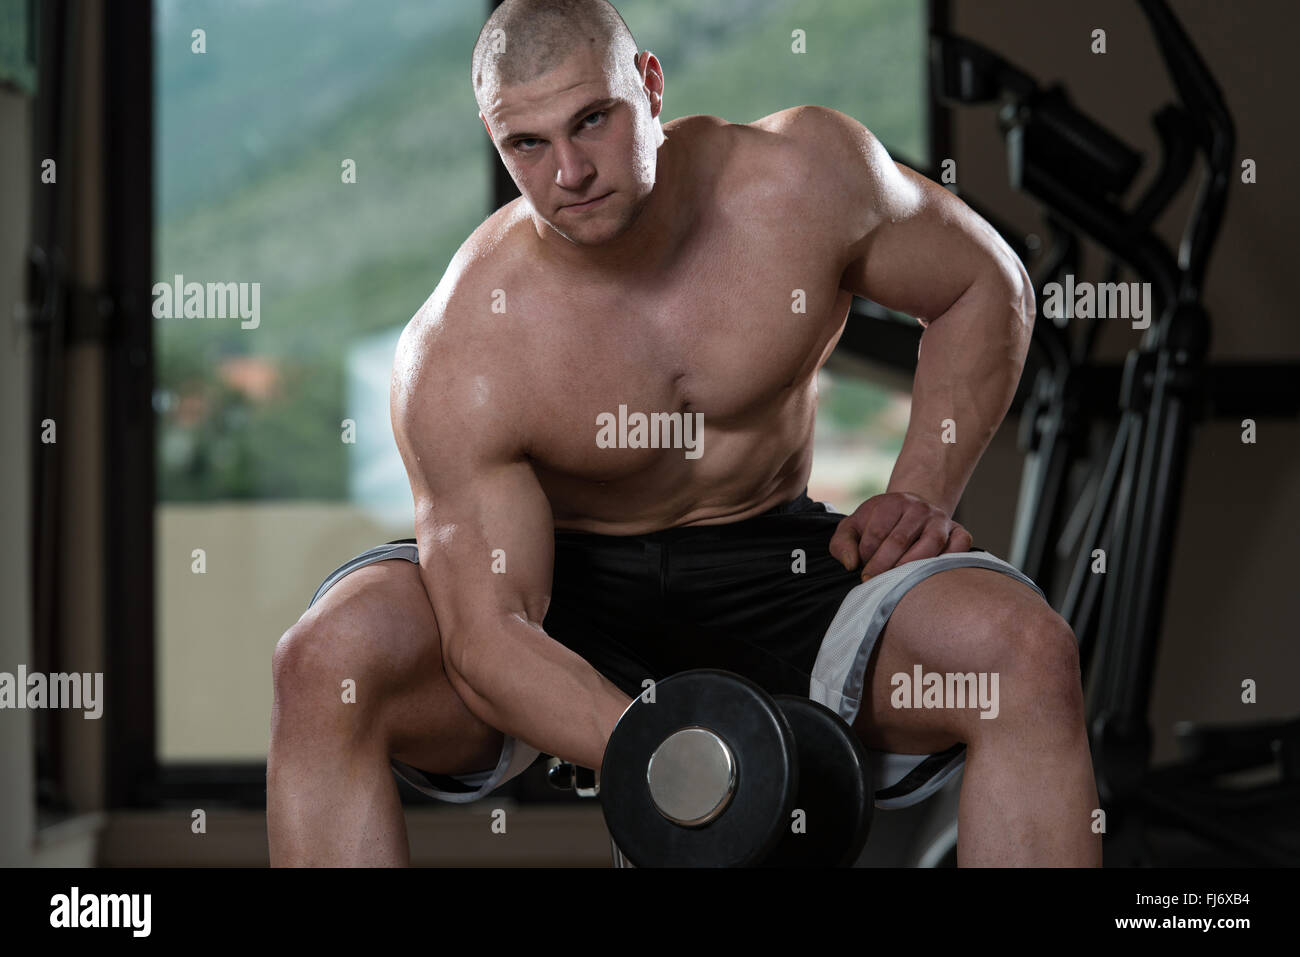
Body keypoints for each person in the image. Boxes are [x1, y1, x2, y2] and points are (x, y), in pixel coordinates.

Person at [267, 0, 1100, 867]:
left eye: (593, 119)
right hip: (560, 603)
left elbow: (982, 283)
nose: (572, 171)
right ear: (494, 140)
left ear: (651, 85)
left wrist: (922, 488)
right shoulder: (465, 342)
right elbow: (488, 639)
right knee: (327, 661)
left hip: (785, 569)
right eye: (529, 145)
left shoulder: (802, 179)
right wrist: (672, 750)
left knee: (1024, 653)